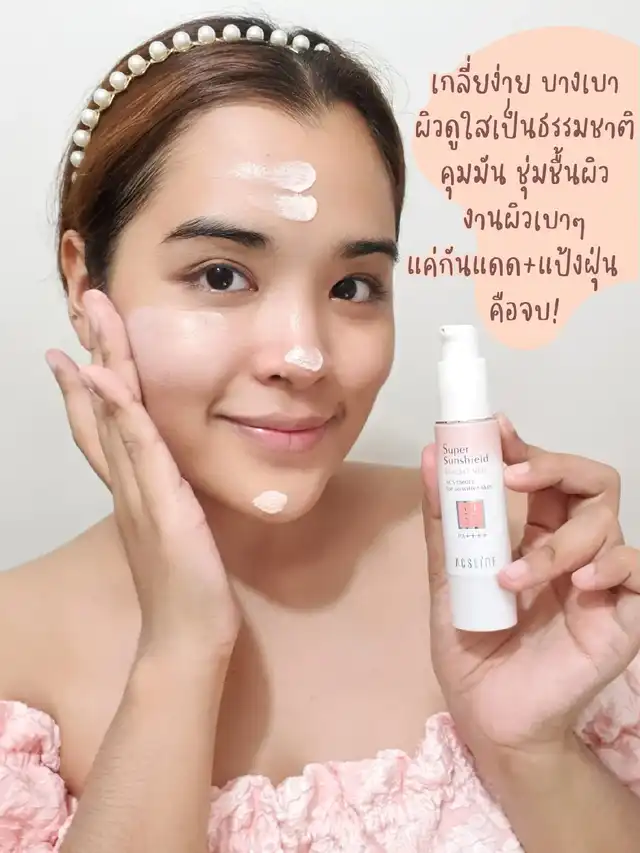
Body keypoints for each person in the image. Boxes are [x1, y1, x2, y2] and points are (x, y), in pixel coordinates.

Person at [0, 12, 639, 853]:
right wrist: (181, 649)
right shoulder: (14, 654)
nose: (304, 357)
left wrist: (532, 749)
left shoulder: (512, 572)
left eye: (353, 286)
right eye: (221, 274)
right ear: (84, 280)